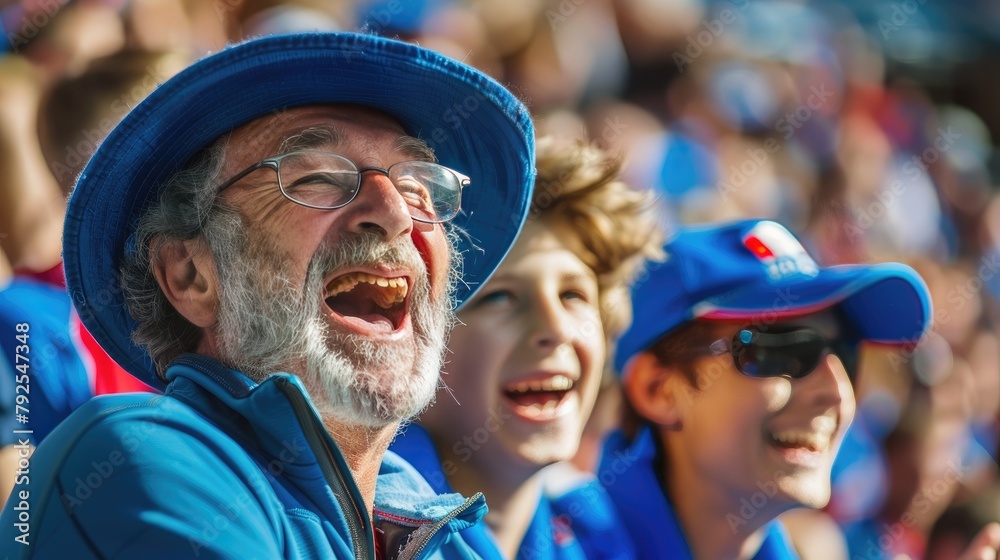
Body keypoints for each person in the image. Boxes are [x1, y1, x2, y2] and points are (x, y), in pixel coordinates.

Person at [0, 31, 534, 559]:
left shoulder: (449, 531)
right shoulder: (143, 461)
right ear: (189, 276)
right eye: (318, 176)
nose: (394, 214)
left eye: (419, 185)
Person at [599, 219, 1000, 559]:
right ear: (658, 390)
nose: (837, 391)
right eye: (781, 349)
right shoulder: (552, 541)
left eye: (845, 354)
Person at [390, 136, 664, 558]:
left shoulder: (597, 541)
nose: (555, 329)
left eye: (573, 295)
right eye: (500, 297)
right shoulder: (350, 530)